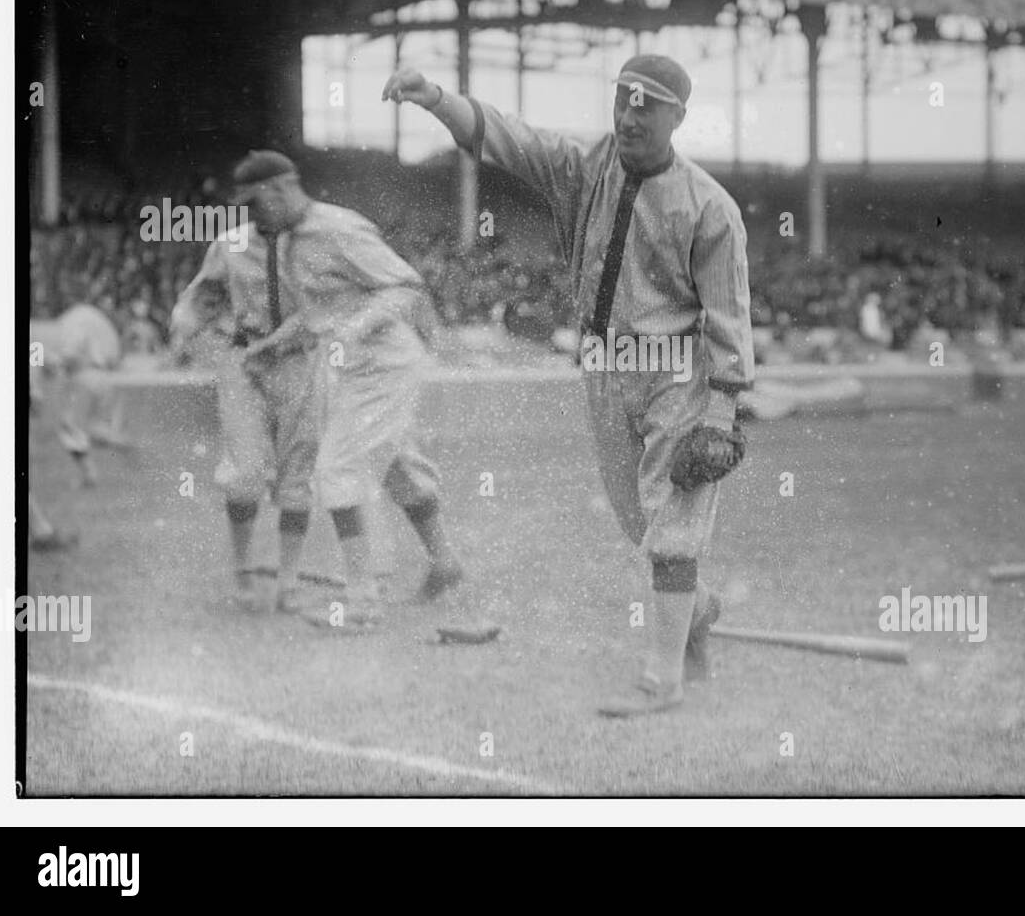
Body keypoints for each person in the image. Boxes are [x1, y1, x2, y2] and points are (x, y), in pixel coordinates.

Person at [384, 54, 754, 715]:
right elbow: (507, 136)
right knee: (638, 520)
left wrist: (721, 413)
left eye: (650, 104)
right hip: (604, 365)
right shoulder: (585, 168)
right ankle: (698, 607)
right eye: (625, 98)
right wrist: (435, 97)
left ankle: (661, 680)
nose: (632, 113)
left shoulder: (710, 208)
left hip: (677, 369)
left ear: (679, 117)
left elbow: (729, 316)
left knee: (671, 526)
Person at [233, 152, 490, 635]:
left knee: (337, 467)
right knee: (398, 467)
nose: (251, 216)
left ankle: (362, 600)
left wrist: (356, 327)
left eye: (255, 203)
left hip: (385, 361)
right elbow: (316, 315)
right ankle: (445, 563)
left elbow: (406, 288)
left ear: (282, 189)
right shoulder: (287, 241)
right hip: (353, 366)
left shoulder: (340, 229)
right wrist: (272, 345)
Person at [170, 214, 325, 613]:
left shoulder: (312, 243)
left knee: (298, 473)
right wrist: (187, 335)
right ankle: (242, 575)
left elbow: (325, 306)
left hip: (299, 362)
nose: (264, 204)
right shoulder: (232, 243)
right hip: (244, 359)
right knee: (245, 471)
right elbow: (200, 299)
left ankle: (288, 585)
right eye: (253, 196)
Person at [29, 301, 128, 487]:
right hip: (102, 377)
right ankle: (117, 453)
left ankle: (93, 472)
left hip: (84, 378)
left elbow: (69, 354)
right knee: (87, 427)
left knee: (72, 428)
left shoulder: (72, 321)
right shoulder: (87, 315)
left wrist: (52, 362)